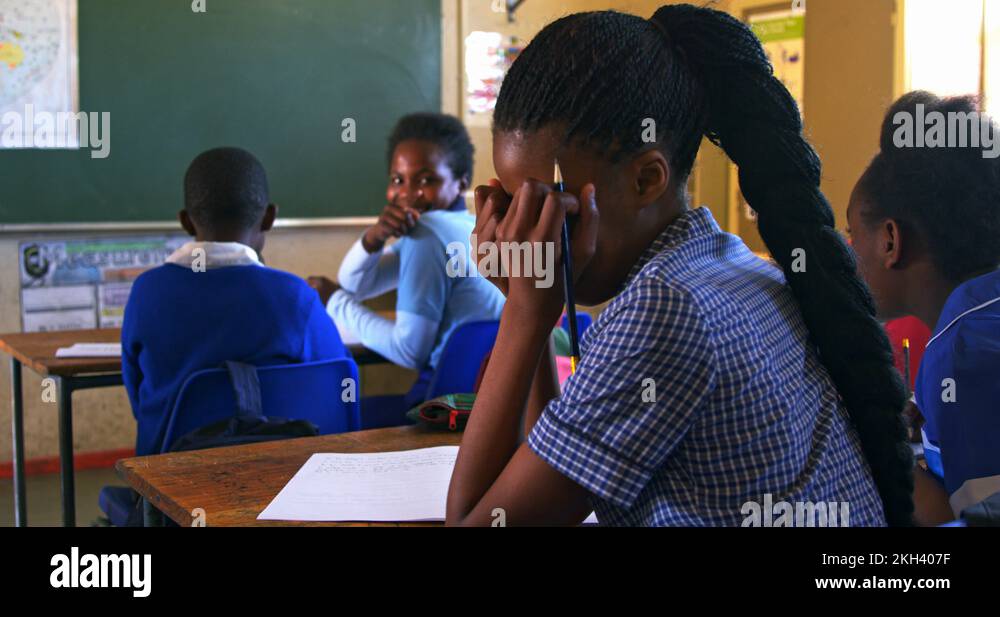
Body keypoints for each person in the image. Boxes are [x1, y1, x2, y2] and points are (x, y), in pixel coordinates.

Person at [445, 5, 913, 527]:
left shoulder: (663, 311)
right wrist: (526, 301)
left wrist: (525, 315)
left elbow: (473, 522)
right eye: (517, 210)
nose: (527, 237)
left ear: (647, 180)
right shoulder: (735, 267)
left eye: (554, 210)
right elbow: (549, 485)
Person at [123, 147, 348, 455]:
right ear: (269, 216)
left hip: (169, 487)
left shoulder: (146, 293)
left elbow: (140, 403)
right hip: (284, 486)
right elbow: (337, 388)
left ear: (186, 222)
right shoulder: (296, 298)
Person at [847, 91, 1000, 524]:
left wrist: (883, 455)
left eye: (852, 232)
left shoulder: (961, 353)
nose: (847, 251)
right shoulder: (978, 326)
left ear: (890, 241)